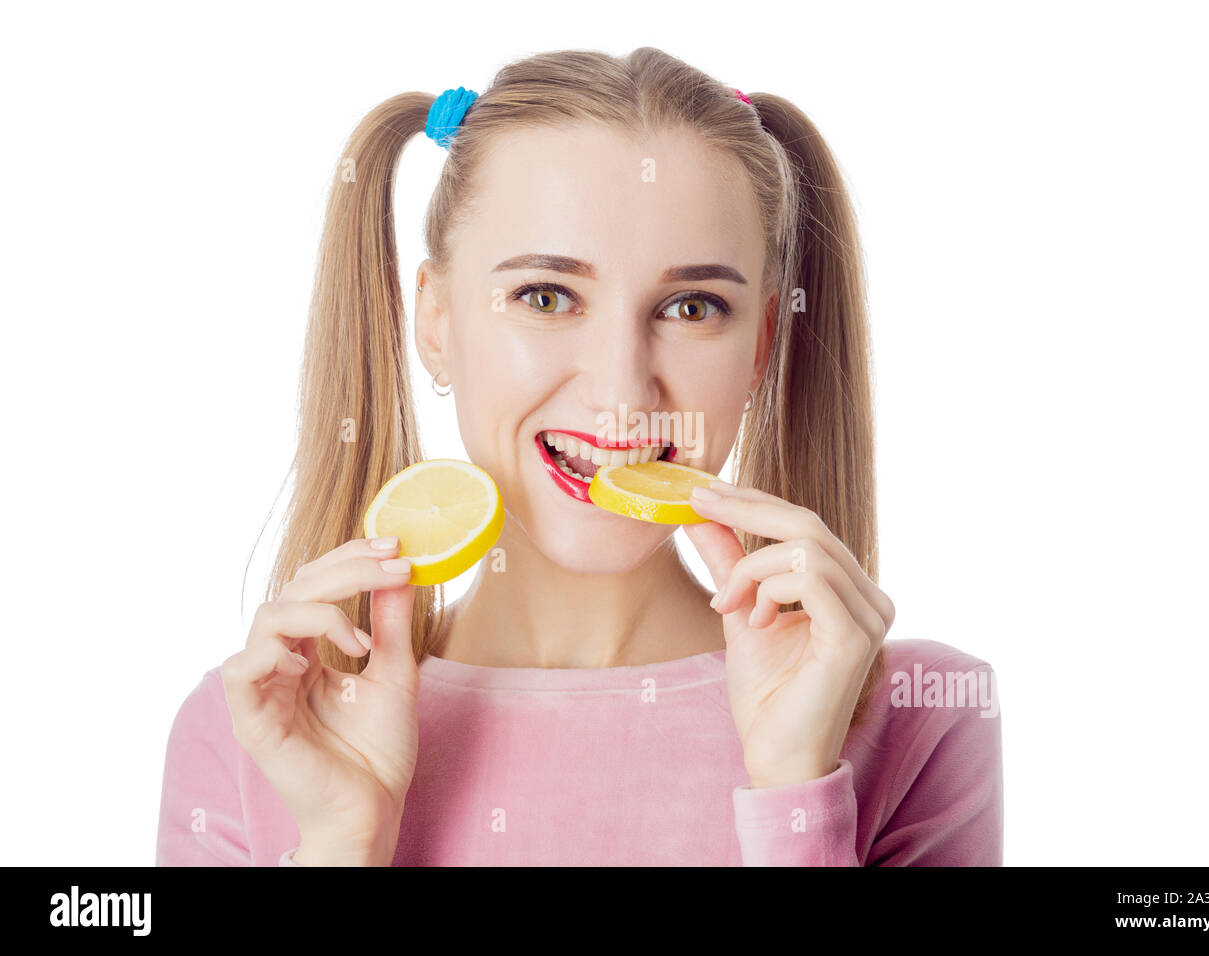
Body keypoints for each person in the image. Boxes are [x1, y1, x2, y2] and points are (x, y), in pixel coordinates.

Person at [156, 47, 1002, 866]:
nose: (621, 389)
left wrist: (795, 793)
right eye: (547, 296)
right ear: (437, 322)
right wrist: (345, 843)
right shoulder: (258, 730)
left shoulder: (916, 720)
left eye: (692, 306)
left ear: (762, 346)